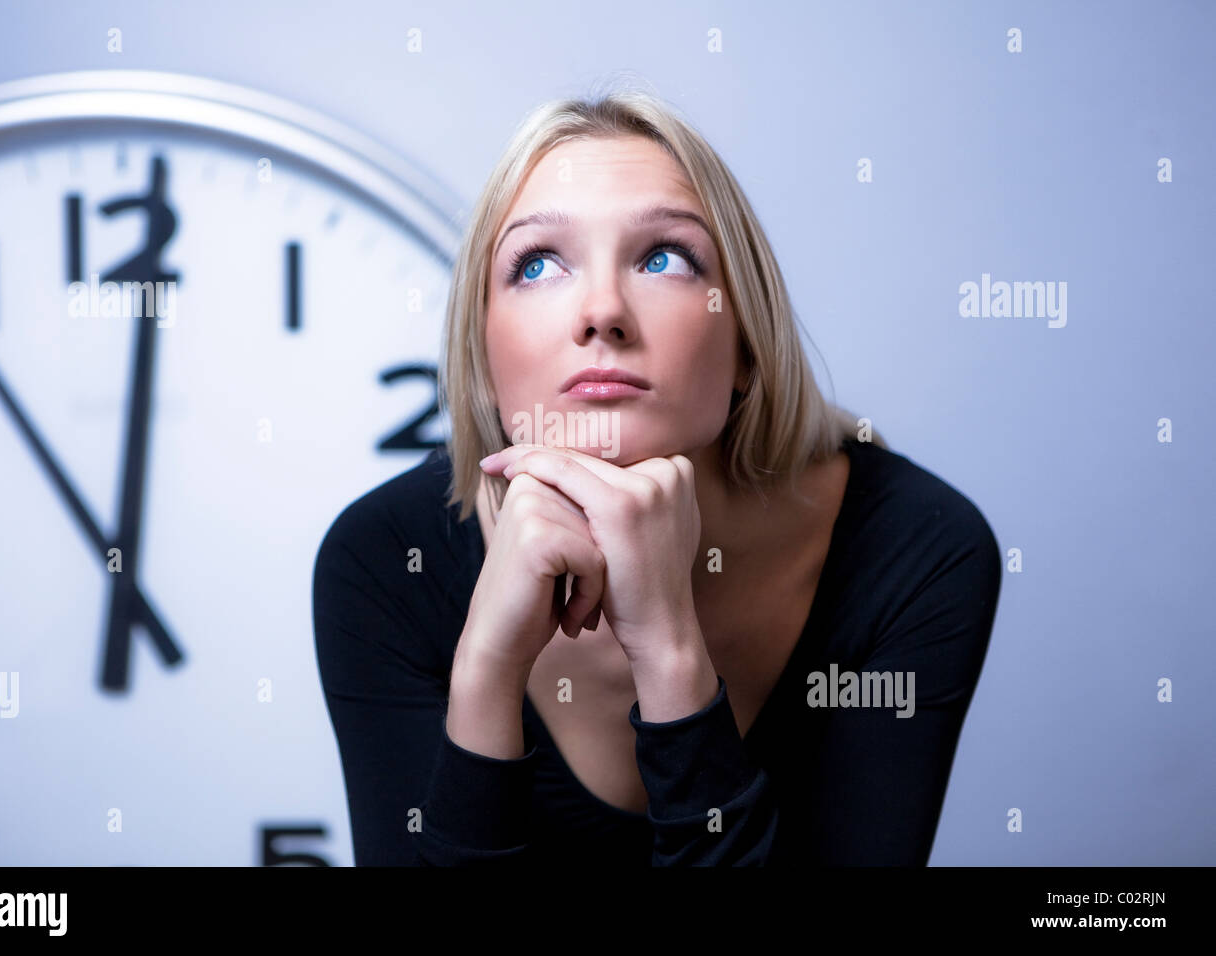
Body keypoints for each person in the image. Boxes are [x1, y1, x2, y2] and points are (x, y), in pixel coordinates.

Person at [312, 86, 1002, 866]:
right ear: (485, 351)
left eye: (664, 258)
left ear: (746, 341)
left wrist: (670, 650)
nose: (601, 311)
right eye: (537, 264)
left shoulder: (916, 551)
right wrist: (486, 672)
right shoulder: (383, 562)